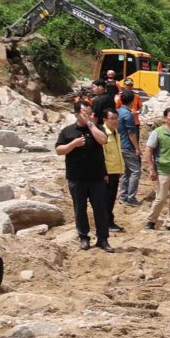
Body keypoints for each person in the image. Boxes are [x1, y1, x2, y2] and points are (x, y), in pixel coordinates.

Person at [55, 102, 114, 252]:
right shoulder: (68, 131)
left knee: (100, 209)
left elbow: (103, 140)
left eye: (90, 112)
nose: (88, 114)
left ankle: (103, 239)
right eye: (84, 112)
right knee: (80, 209)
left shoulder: (97, 128)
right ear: (76, 113)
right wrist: (73, 144)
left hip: (97, 178)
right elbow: (59, 150)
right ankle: (84, 237)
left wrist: (90, 125)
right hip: (76, 178)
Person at [116, 89, 142, 208]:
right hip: (128, 146)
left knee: (126, 172)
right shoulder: (128, 114)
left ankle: (123, 196)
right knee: (135, 171)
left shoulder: (118, 112)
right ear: (132, 101)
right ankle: (131, 197)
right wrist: (137, 148)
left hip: (120, 145)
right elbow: (131, 133)